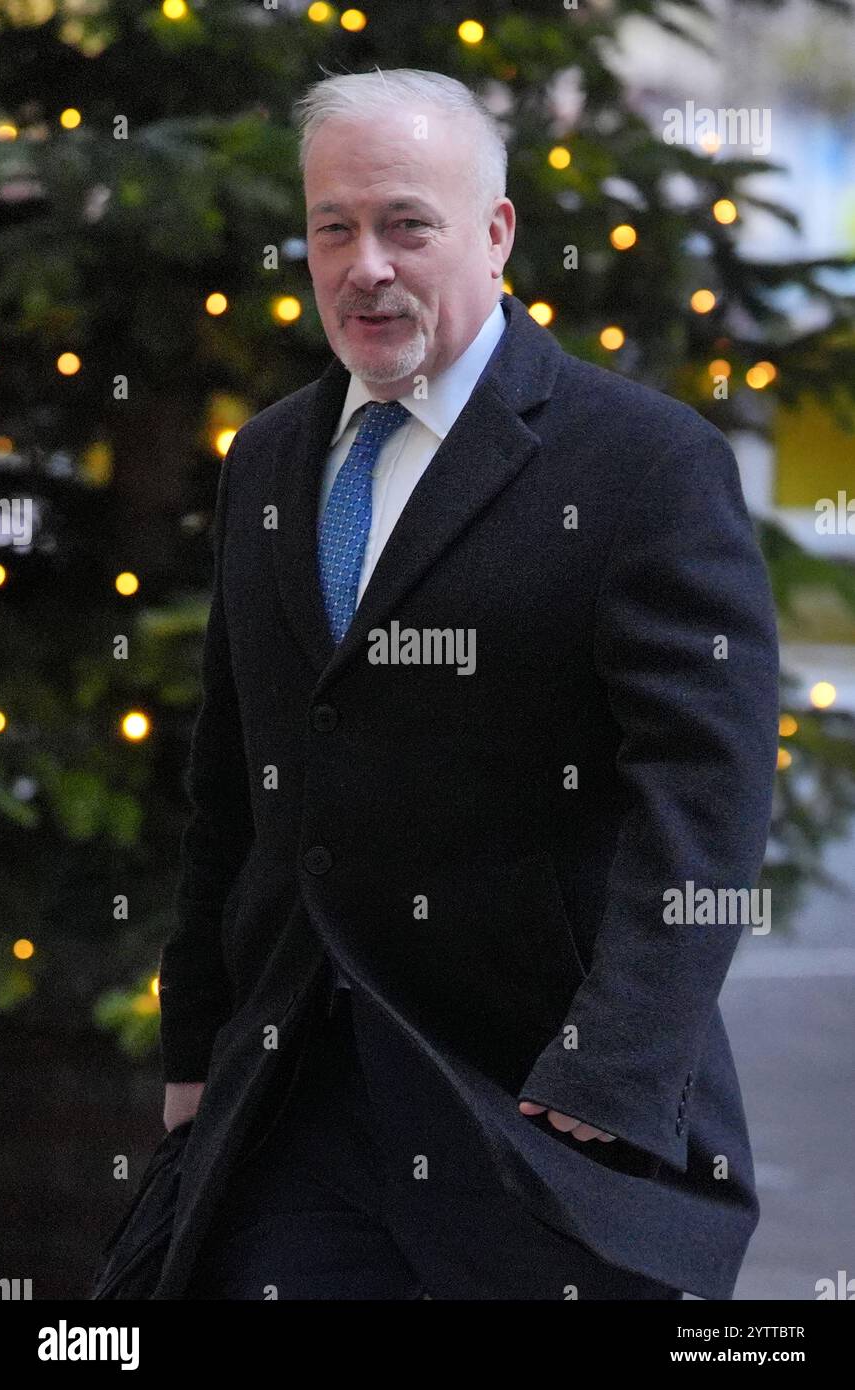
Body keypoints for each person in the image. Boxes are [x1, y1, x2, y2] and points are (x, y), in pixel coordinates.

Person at [154, 68, 779, 1301]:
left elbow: (704, 790)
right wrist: (197, 1042)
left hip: (537, 1125)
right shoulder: (272, 458)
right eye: (333, 228)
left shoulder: (644, 462)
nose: (364, 265)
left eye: (405, 224)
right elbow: (231, 779)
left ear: (494, 233)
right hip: (297, 1108)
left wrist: (614, 1069)